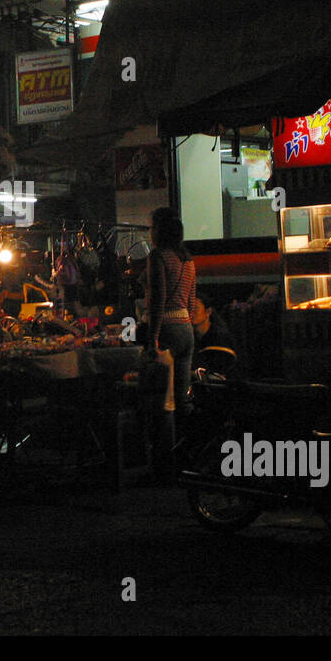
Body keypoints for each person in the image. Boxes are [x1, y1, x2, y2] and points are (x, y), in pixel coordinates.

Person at [144, 207, 199, 483]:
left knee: (164, 402)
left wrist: (153, 337)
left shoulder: (158, 257)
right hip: (187, 330)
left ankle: (165, 469)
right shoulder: (187, 259)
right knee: (183, 399)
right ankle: (190, 459)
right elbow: (191, 302)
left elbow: (158, 299)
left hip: (166, 330)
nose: (150, 232)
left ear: (160, 230)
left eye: (152, 227)